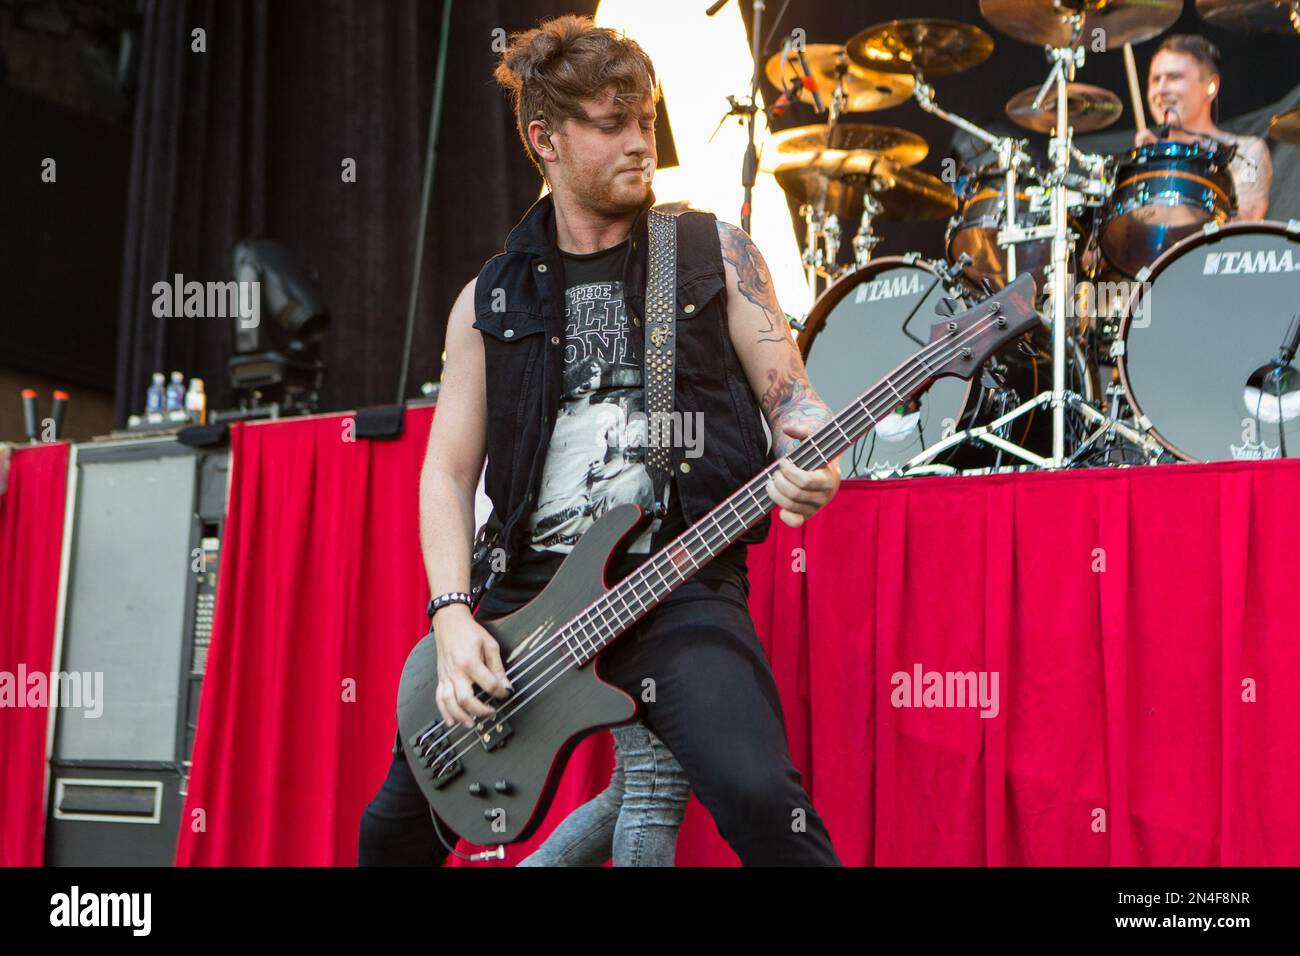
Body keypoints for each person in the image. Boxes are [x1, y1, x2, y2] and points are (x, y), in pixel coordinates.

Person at [359, 13, 842, 867]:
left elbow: (794, 401)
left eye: (646, 120)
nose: (640, 142)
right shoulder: (488, 300)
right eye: (612, 124)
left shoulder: (714, 254)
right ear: (544, 139)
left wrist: (812, 452)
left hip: (678, 587)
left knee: (768, 804)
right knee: (390, 834)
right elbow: (446, 472)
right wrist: (452, 616)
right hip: (526, 601)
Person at [1135, 34, 1273, 220]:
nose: (1161, 89)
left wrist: (1173, 167)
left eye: (1174, 77)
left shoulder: (1244, 152)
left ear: (1211, 86)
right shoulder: (1141, 160)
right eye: (1155, 80)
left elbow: (1247, 219)